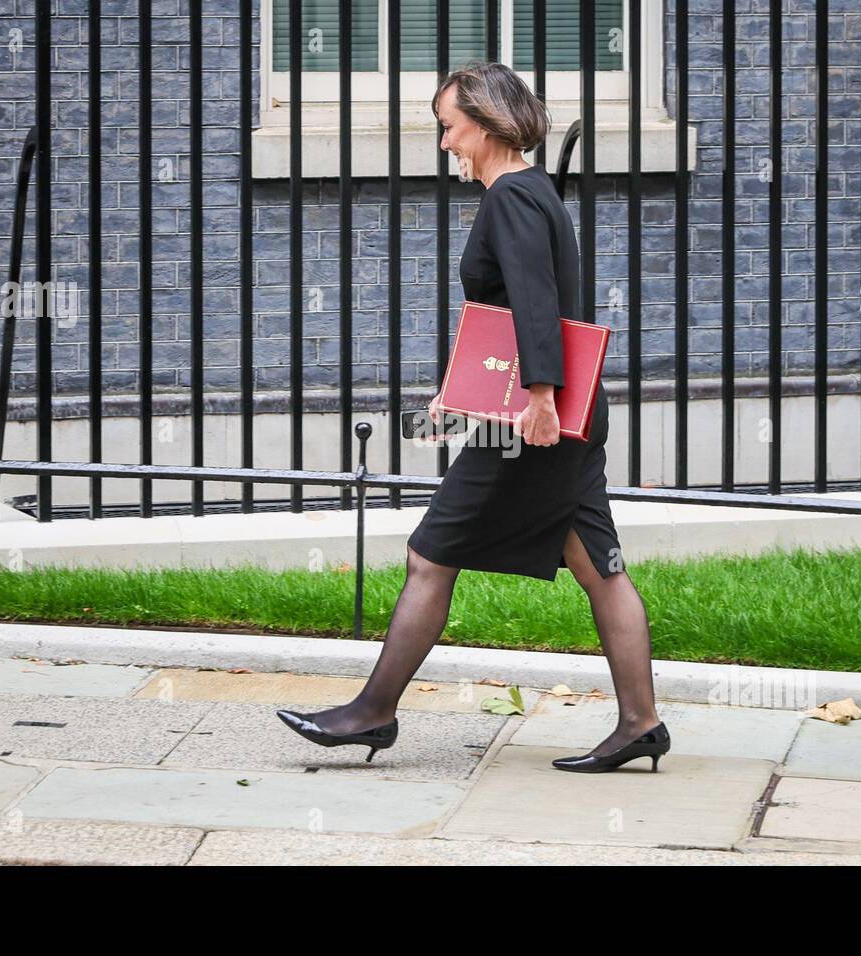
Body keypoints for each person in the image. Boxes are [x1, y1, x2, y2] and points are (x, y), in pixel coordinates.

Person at [278, 60, 670, 773]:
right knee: (601, 570)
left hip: (535, 426)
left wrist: (541, 398)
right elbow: (502, 320)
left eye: (450, 127)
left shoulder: (512, 197)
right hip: (554, 416)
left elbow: (533, 300)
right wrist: (463, 393)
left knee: (430, 554)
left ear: (487, 126)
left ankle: (372, 712)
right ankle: (641, 722)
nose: (445, 142)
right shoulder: (532, 191)